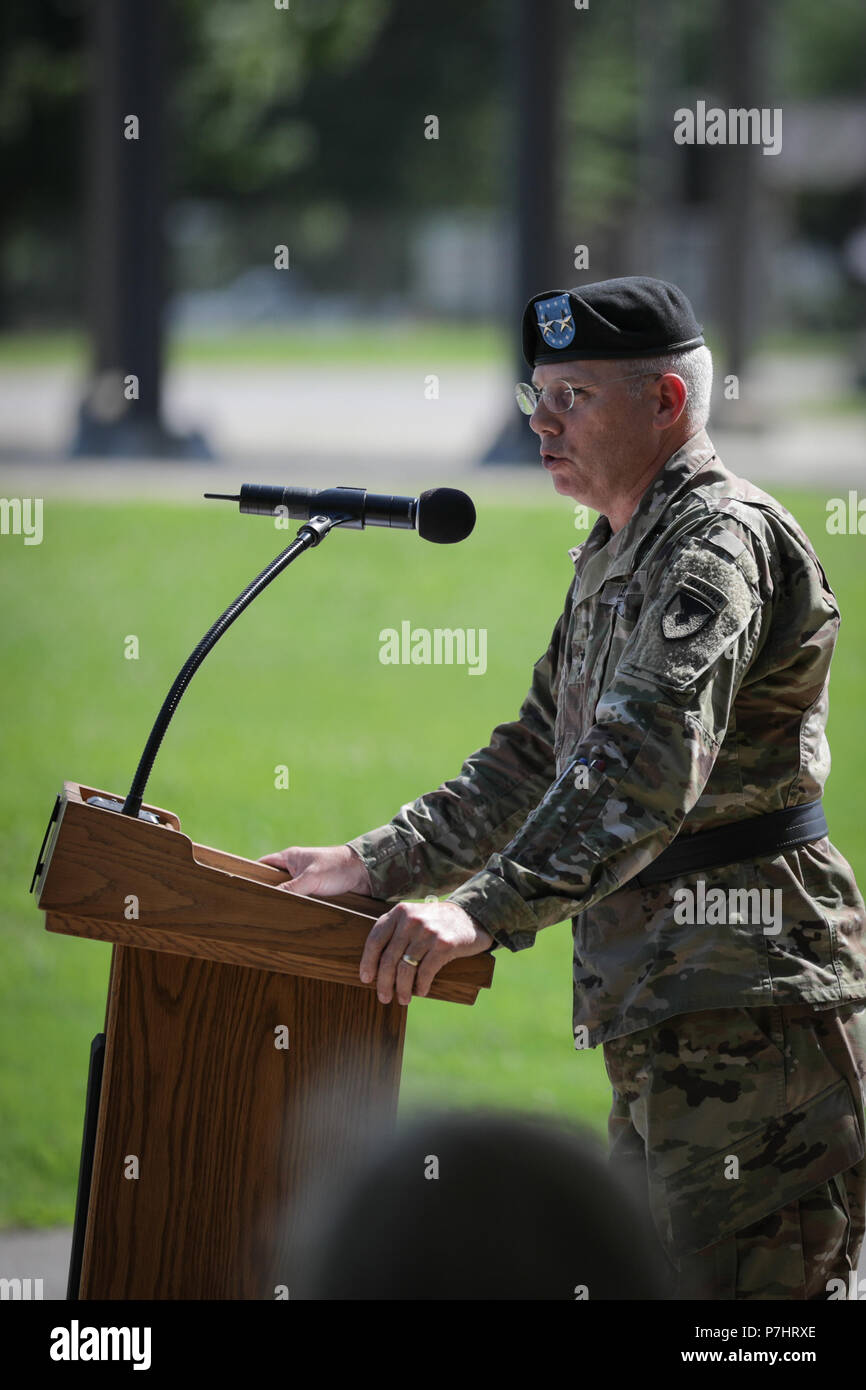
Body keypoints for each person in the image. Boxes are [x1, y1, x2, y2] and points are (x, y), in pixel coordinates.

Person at [261, 276, 866, 1300]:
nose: (541, 423)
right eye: (532, 398)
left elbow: (640, 764)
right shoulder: (618, 548)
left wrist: (480, 912)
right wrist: (369, 861)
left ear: (664, 403)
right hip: (663, 997)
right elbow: (540, 751)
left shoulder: (715, 546)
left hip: (749, 999)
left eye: (572, 398)